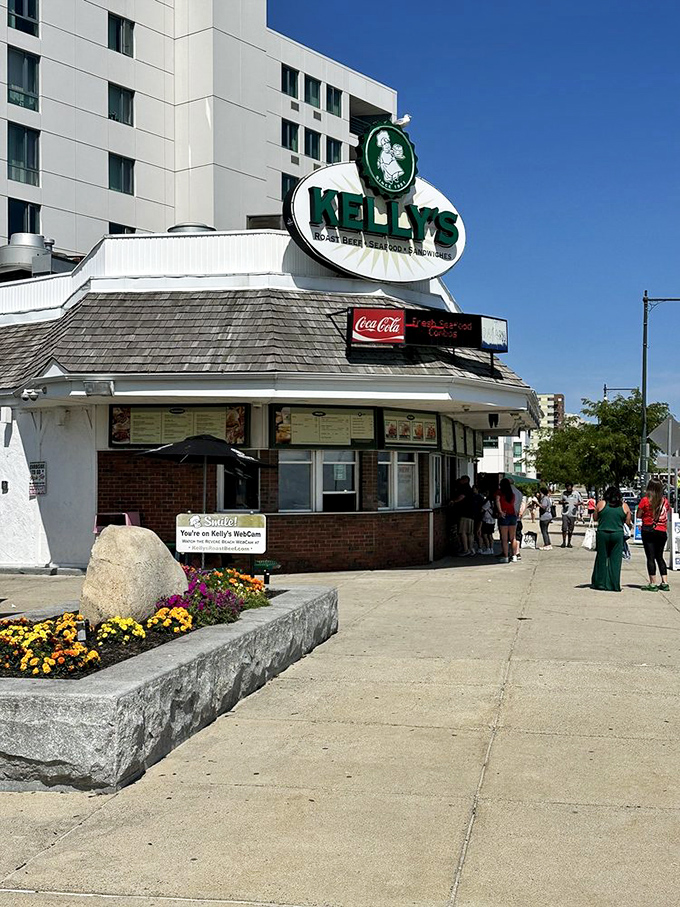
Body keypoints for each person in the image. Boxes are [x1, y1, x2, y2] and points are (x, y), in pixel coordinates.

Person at [591, 486, 633, 592]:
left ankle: (600, 582)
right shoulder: (624, 506)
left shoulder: (601, 504)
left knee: (602, 557)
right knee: (615, 560)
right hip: (617, 534)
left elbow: (595, 518)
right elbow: (628, 521)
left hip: (603, 533)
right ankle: (613, 584)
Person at [637, 478, 671, 592]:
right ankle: (665, 582)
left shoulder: (645, 500)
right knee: (660, 556)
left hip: (649, 530)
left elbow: (638, 515)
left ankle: (653, 583)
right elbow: (667, 512)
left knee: (650, 557)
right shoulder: (665, 501)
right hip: (662, 531)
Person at [495, 478, 521, 563]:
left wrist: (500, 511)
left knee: (504, 538)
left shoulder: (500, 492)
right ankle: (514, 556)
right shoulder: (512, 494)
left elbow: (497, 501)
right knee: (512, 537)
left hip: (504, 515)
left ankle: (506, 556)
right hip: (512, 515)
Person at [452, 476, 475, 556]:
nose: (460, 481)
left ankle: (465, 549)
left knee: (463, 532)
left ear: (464, 480)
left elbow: (461, 498)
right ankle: (471, 548)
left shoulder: (464, 488)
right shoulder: (470, 490)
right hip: (471, 514)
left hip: (464, 513)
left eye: (461, 479)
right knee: (470, 533)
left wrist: (453, 501)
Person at [560, 482, 582, 548]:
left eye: (569, 487)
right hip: (565, 513)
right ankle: (563, 542)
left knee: (570, 529)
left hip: (573, 513)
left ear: (572, 487)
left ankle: (569, 542)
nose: (568, 488)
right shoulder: (563, 493)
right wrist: (563, 502)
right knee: (564, 528)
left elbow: (581, 501)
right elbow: (559, 501)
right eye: (567, 487)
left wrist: (577, 504)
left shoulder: (576, 493)